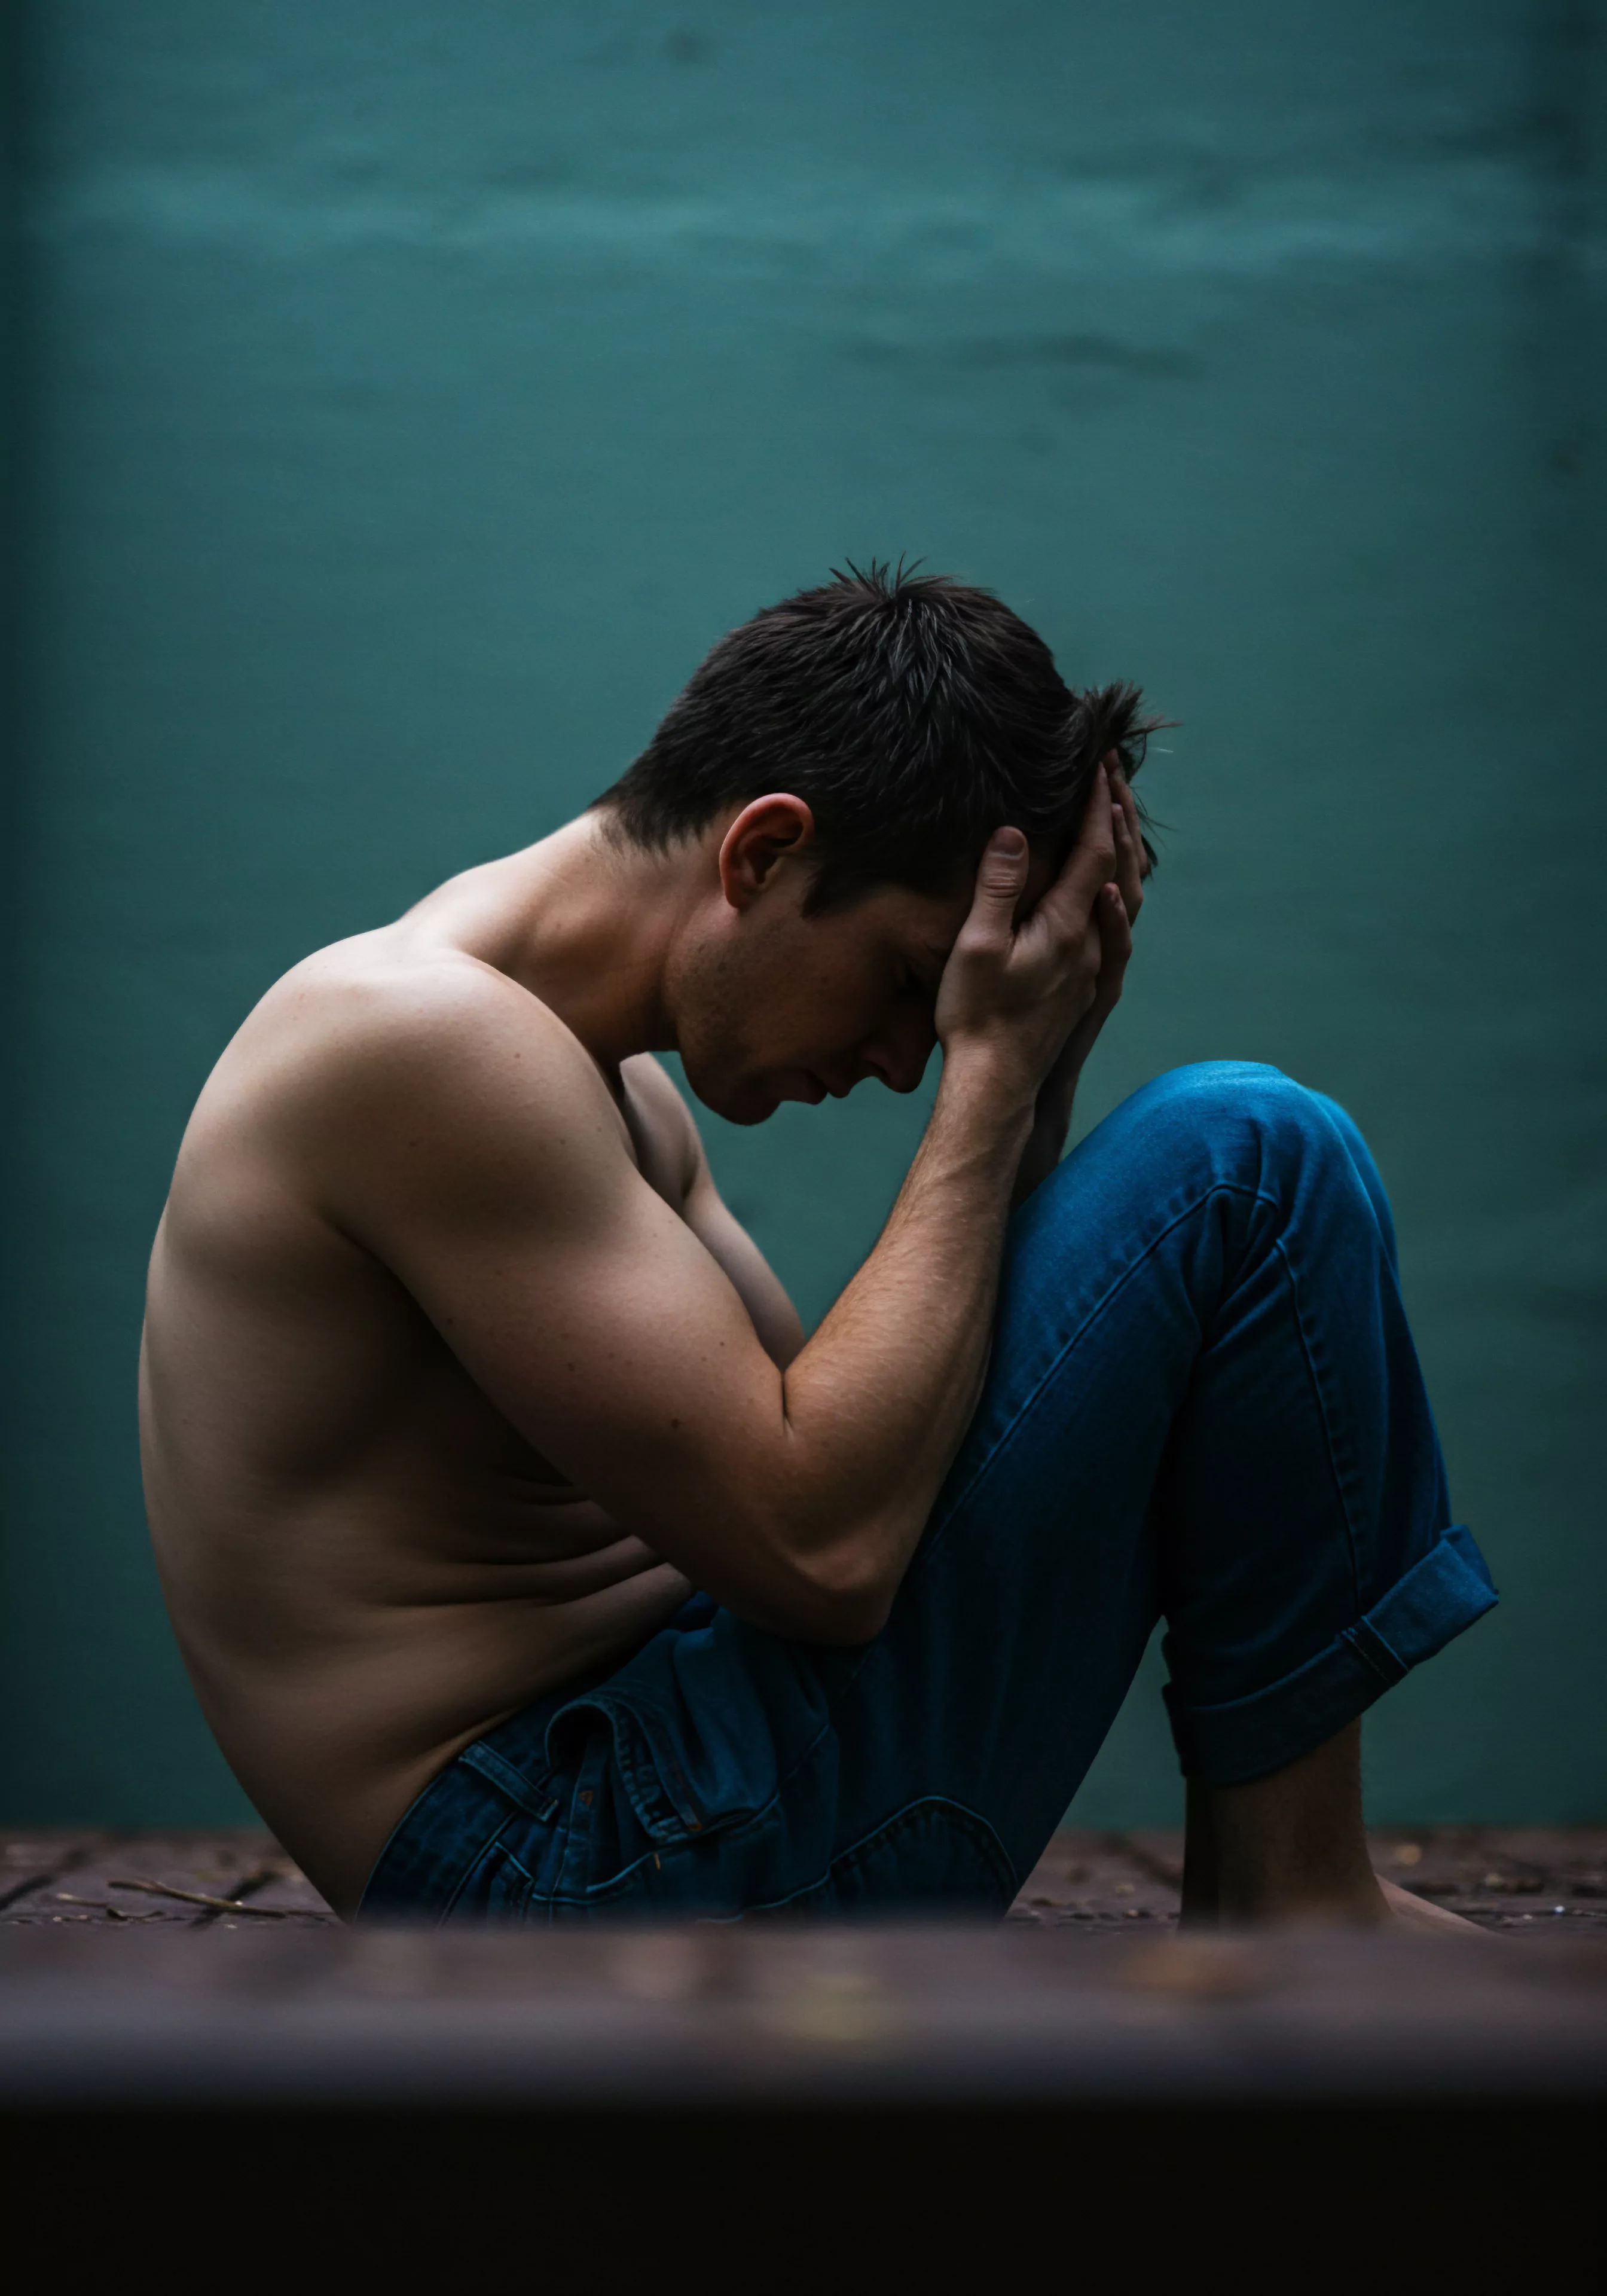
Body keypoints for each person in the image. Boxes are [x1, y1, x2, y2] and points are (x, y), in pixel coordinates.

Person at [139, 563, 1495, 1926]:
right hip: (564, 1860)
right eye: (912, 981)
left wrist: (1034, 1086)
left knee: (1229, 1167)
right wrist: (987, 1085)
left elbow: (885, 1474)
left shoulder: (613, 1092)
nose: (910, 1060)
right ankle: (1294, 1892)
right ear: (764, 853)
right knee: (1247, 1155)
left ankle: (1289, 1884)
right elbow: (823, 1557)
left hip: (665, 1775)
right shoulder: (419, 1040)